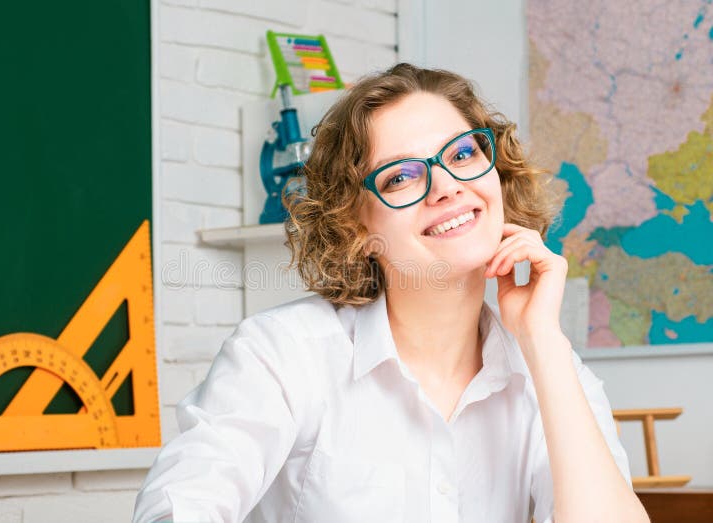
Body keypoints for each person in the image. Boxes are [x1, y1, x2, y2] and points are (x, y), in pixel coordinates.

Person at [133, 63, 649, 523]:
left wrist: (542, 340)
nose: (447, 186)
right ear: (355, 226)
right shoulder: (283, 354)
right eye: (401, 177)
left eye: (464, 153)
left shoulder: (551, 372)